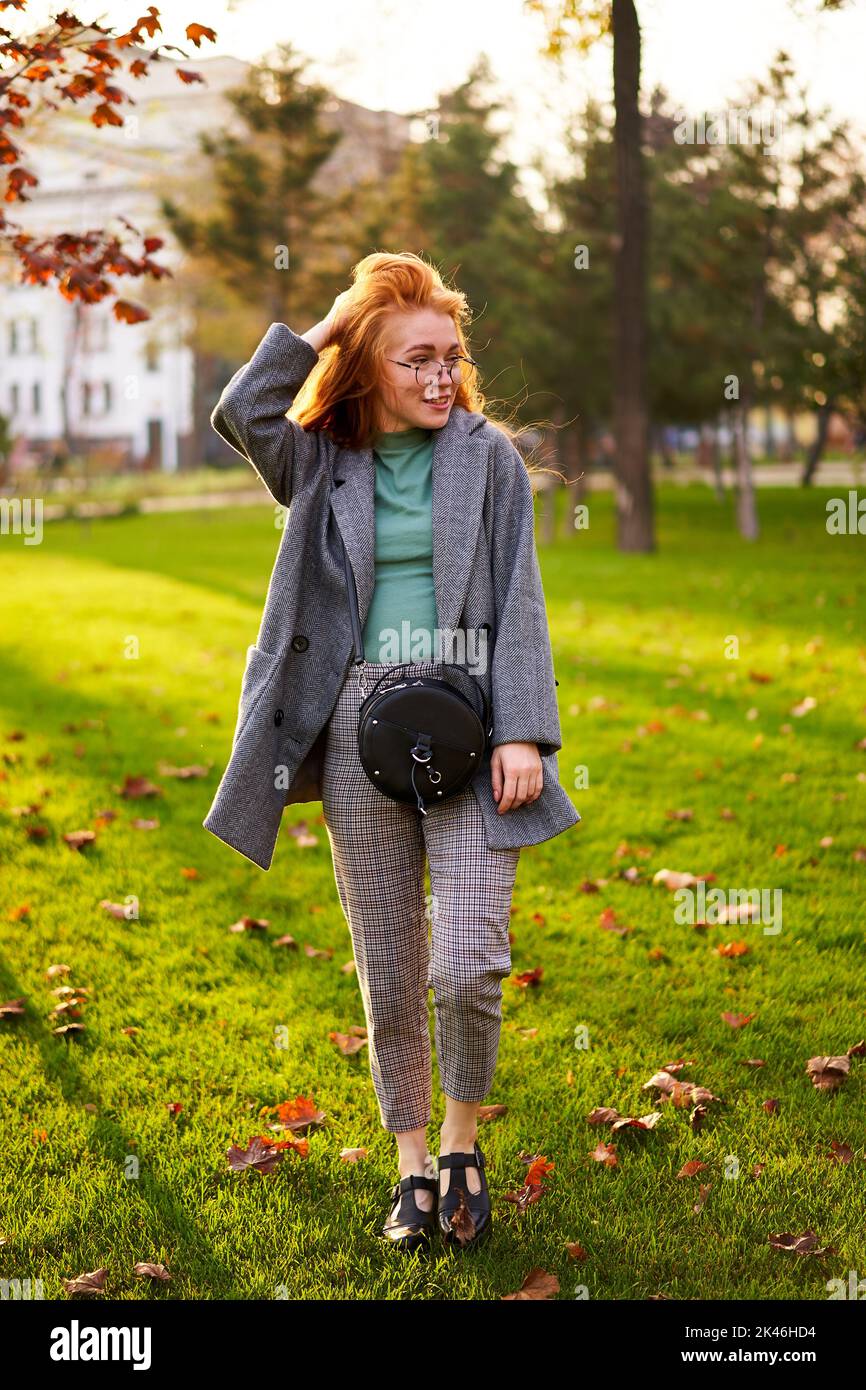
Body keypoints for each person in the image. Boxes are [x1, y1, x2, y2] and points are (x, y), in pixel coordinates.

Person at [208, 251, 579, 1253]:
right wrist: (332, 323)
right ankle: (413, 1165)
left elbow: (519, 599)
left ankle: (464, 1143)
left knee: (464, 964)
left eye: (449, 358)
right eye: (414, 358)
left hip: (465, 715)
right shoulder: (319, 455)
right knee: (387, 962)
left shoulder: (486, 457)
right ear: (370, 363)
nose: (438, 378)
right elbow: (246, 411)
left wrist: (519, 730)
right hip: (351, 726)